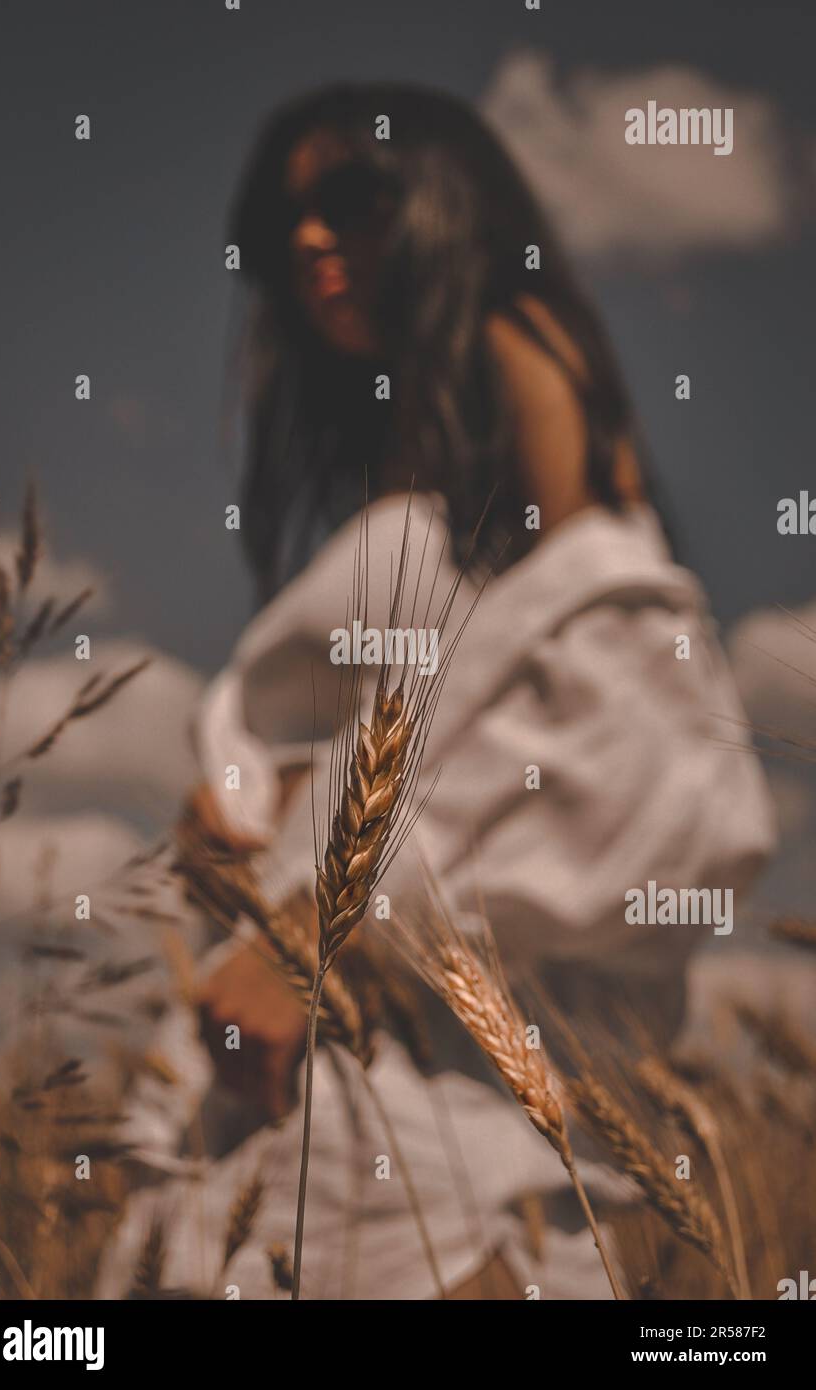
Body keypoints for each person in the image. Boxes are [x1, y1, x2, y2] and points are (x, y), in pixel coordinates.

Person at [104, 83, 775, 1300]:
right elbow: (417, 698)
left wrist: (306, 936)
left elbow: (604, 694)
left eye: (348, 199)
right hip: (313, 1092)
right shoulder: (406, 454)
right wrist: (237, 825)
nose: (307, 242)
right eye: (275, 224)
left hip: (432, 1112)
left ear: (443, 199)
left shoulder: (519, 346)